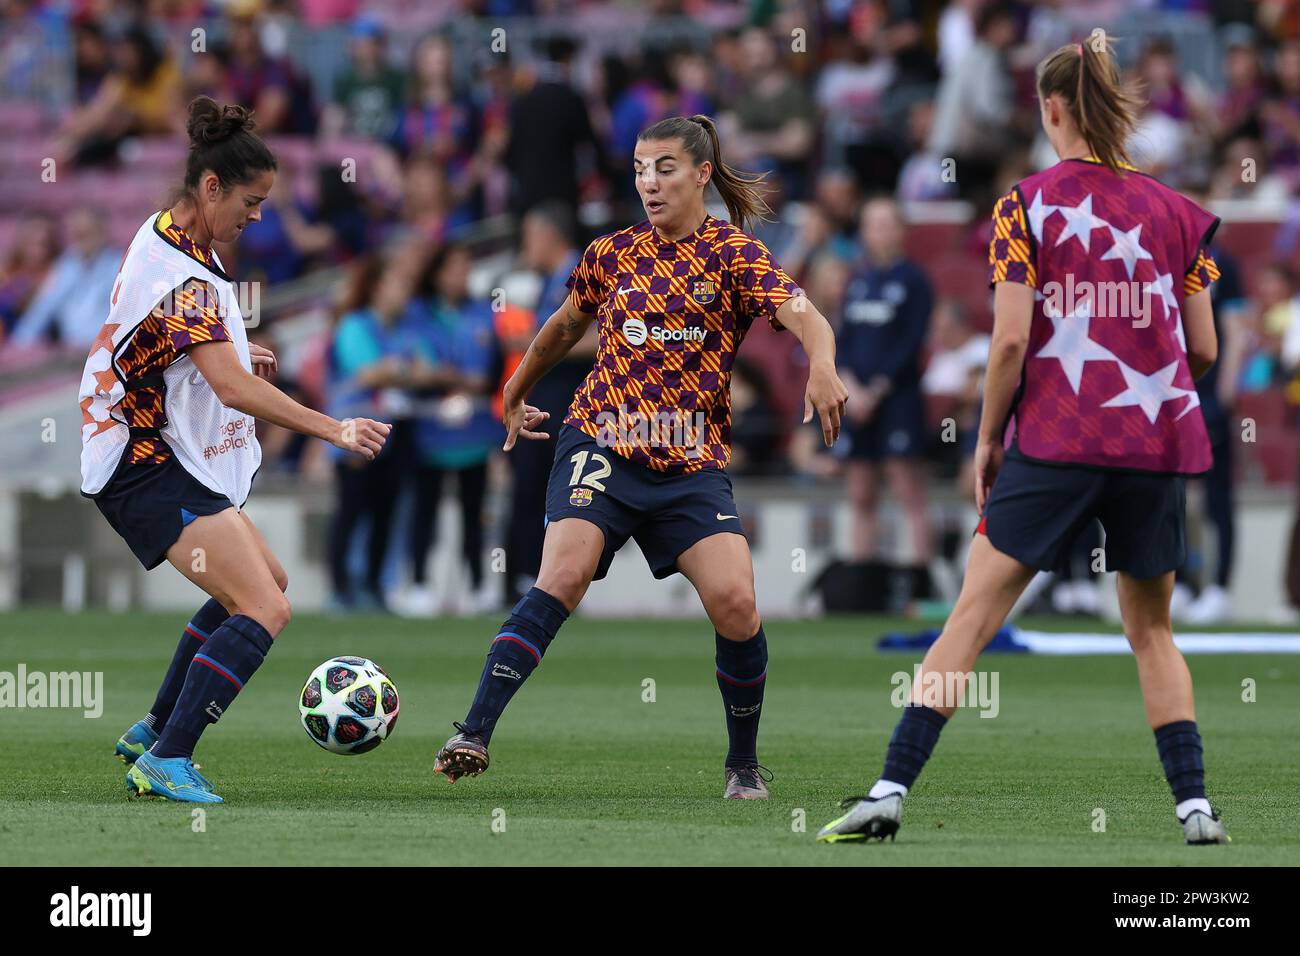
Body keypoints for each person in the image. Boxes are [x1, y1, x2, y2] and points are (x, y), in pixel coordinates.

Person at [818, 37, 1230, 845]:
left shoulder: (1026, 204)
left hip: (1055, 438)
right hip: (1151, 443)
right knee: (1152, 631)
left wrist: (988, 440)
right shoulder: (1179, 214)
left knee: (969, 617)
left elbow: (1008, 343)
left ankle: (889, 790)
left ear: (1049, 110)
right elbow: (1206, 349)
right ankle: (1195, 808)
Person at [432, 114, 849, 799]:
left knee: (738, 604)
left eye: (664, 169)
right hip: (602, 439)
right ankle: (472, 732)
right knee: (562, 576)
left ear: (702, 175)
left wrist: (823, 364)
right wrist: (513, 390)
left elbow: (804, 313)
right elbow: (562, 326)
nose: (648, 184)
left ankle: (742, 768)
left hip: (689, 465)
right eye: (638, 169)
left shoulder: (735, 256)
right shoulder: (612, 253)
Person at [82, 97, 389, 803]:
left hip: (143, 446)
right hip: (140, 460)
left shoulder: (164, 232)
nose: (259, 216)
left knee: (266, 583)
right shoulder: (188, 279)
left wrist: (233, 346)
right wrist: (334, 427)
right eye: (252, 202)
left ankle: (154, 728)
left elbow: (162, 333)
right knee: (264, 609)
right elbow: (233, 390)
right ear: (212, 188)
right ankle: (169, 756)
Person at [837, 195, 935, 569]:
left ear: (901, 230)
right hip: (858, 399)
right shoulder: (857, 279)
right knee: (861, 491)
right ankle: (863, 576)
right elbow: (842, 339)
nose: (879, 232)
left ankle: (918, 577)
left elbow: (911, 343)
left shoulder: (915, 280)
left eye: (887, 224)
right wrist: (852, 389)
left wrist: (876, 390)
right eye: (872, 224)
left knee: (906, 486)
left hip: (898, 399)